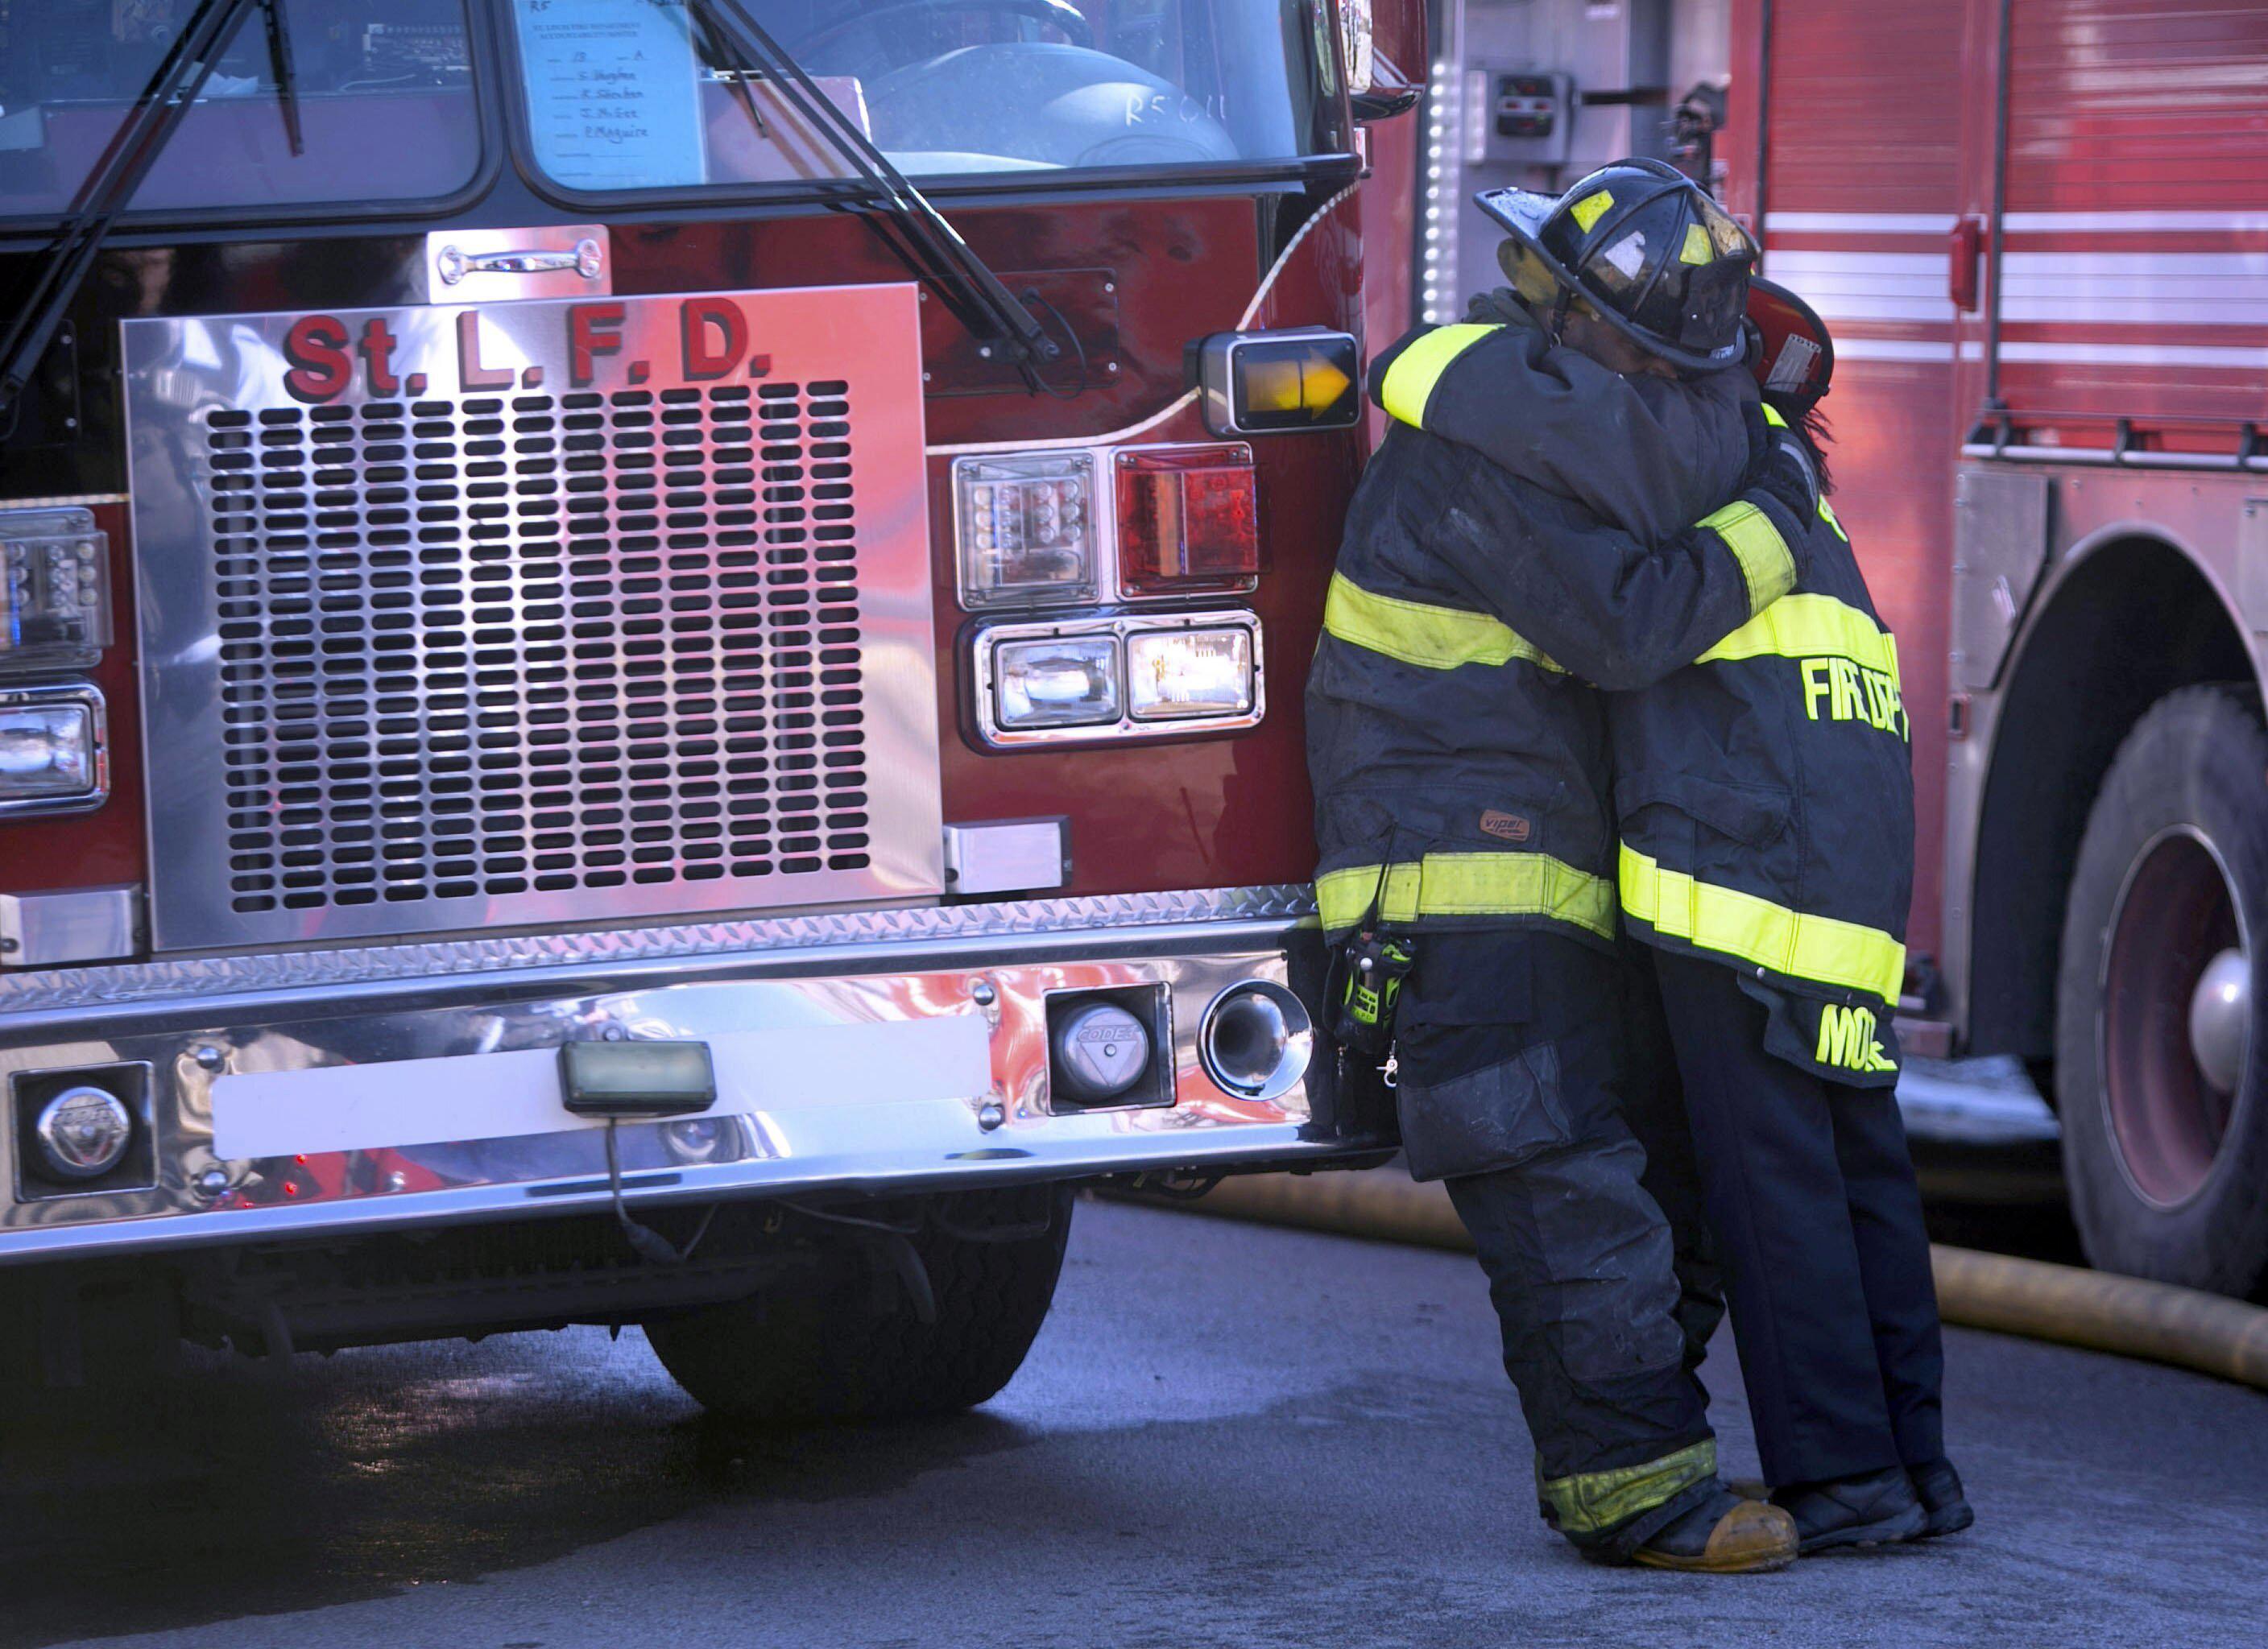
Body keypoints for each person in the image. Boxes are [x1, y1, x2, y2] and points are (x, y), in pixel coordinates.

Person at [1307, 159, 1819, 1572]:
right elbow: (1630, 627)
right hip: (1450, 890)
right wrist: (1778, 511)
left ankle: (1641, 1444)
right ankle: (1635, 1492)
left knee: (1670, 1168)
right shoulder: (1483, 452)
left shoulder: (1578, 439)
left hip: (1547, 882)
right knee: (1563, 1178)